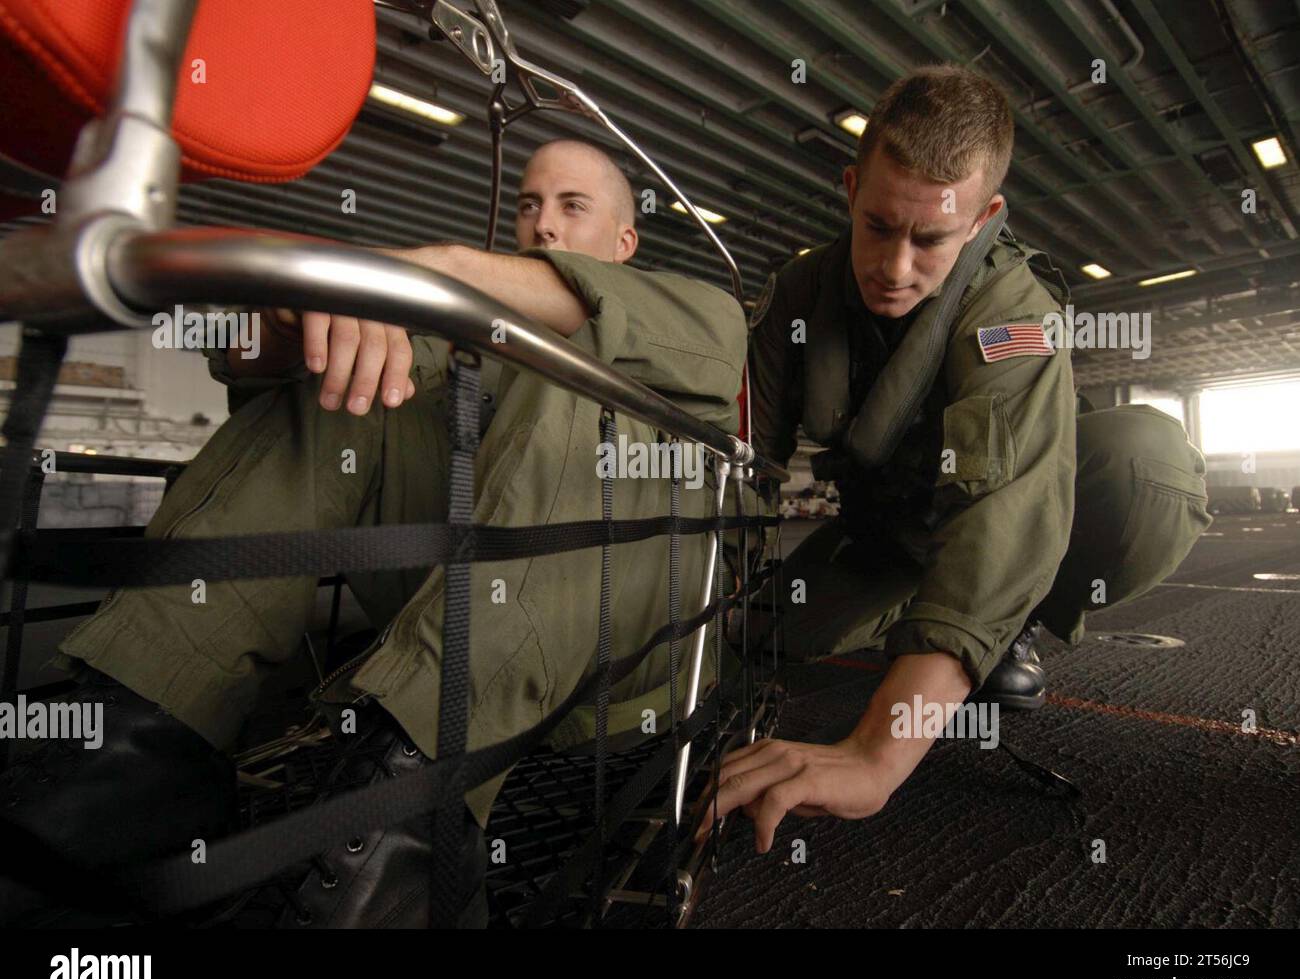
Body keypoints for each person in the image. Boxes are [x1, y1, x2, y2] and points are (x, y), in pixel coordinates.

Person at [0, 139, 748, 927]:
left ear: (625, 241)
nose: (543, 225)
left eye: (572, 206)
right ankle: (137, 750)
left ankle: (404, 812)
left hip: (617, 660)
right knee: (343, 389)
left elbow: (716, 343)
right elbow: (240, 354)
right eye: (528, 205)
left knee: (582, 396)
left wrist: (427, 271)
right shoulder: (472, 340)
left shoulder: (695, 313)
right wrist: (305, 316)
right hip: (461, 614)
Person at [704, 66, 1211, 853]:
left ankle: (1008, 627)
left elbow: (1006, 510)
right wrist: (701, 610)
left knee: (1150, 465)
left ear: (983, 218)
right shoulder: (797, 295)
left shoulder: (1015, 316)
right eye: (878, 226)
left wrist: (877, 752)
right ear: (849, 189)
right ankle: (931, 624)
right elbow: (739, 475)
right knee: (756, 642)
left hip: (1007, 525)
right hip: (888, 538)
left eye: (930, 238)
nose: (894, 268)